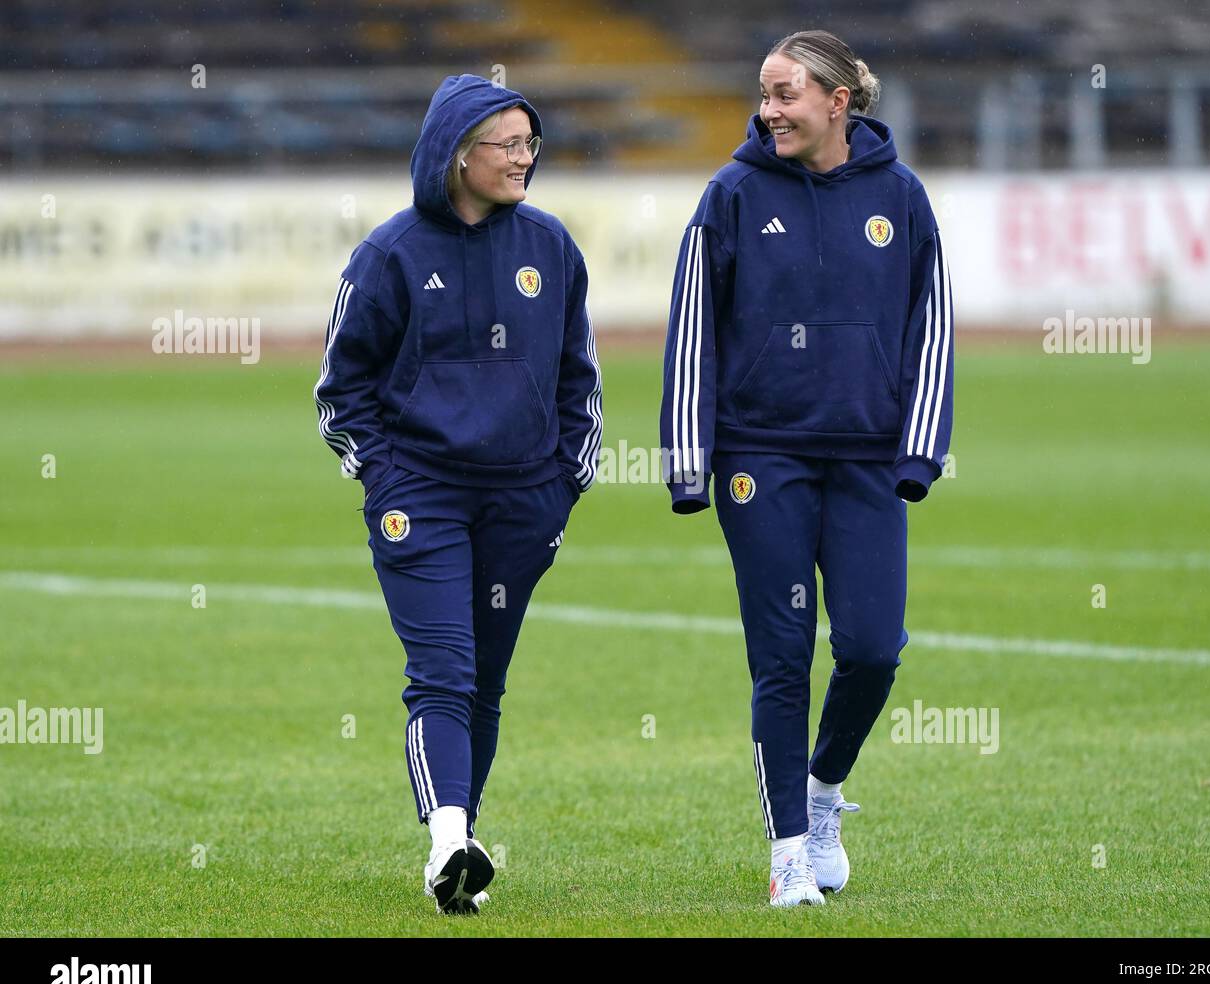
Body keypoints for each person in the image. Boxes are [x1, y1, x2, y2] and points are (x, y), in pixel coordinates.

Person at [659, 30, 954, 907]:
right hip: (761, 458)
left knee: (871, 650)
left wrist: (918, 449)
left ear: (838, 101)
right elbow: (692, 331)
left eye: (786, 93)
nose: (769, 110)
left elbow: (931, 320)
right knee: (781, 657)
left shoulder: (900, 197)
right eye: (763, 93)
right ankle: (789, 850)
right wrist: (688, 462)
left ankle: (823, 791)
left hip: (867, 461)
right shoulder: (732, 195)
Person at [314, 74, 603, 914]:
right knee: (442, 669)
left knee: (486, 680)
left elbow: (578, 379)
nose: (523, 158)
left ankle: (458, 853)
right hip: (422, 497)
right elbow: (342, 386)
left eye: (529, 144)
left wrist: (565, 482)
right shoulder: (389, 254)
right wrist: (382, 473)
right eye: (507, 145)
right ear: (457, 154)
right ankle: (448, 838)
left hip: (525, 499)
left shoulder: (552, 248)